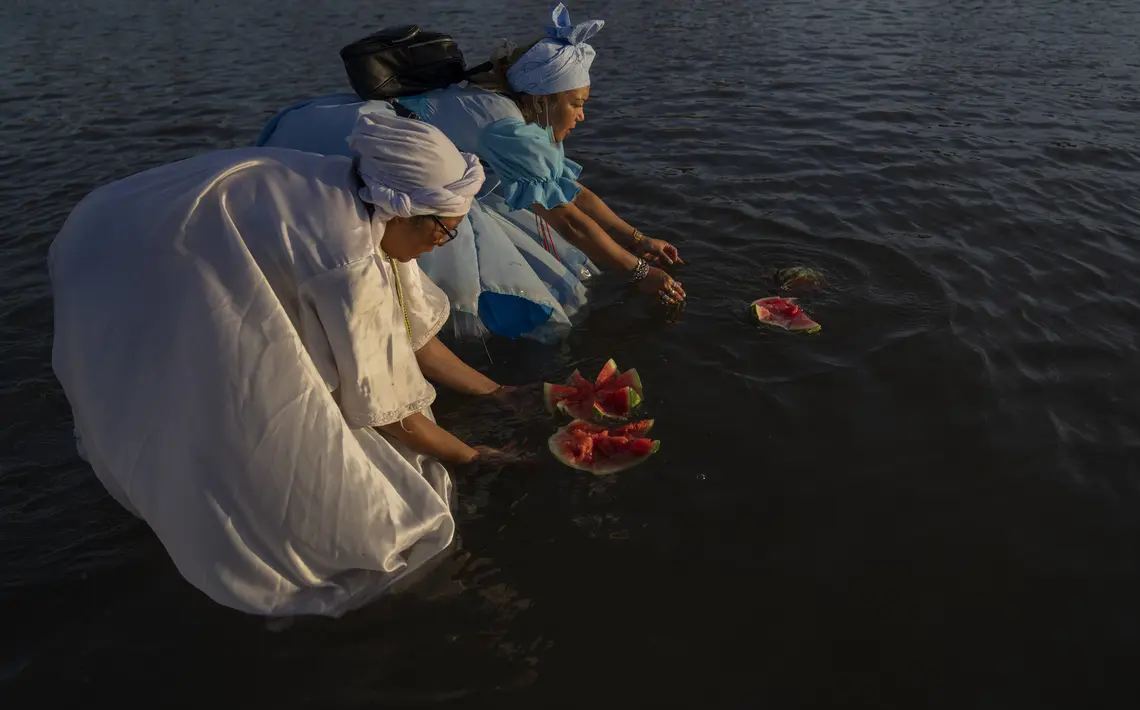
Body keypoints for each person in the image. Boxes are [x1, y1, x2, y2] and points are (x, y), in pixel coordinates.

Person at [49, 113, 534, 617]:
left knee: (158, 378)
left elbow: (410, 333)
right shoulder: (348, 258)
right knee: (230, 390)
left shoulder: (365, 189)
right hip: (139, 253)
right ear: (407, 212)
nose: (443, 244)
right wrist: (472, 457)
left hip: (114, 223)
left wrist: (496, 392)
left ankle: (158, 479)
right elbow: (392, 413)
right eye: (446, 232)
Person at [258, 3, 686, 343]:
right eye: (575, 103)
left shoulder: (499, 97)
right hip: (358, 146)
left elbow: (570, 193)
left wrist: (638, 239)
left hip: (349, 125)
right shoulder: (508, 129)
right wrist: (640, 273)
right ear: (543, 99)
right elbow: (570, 219)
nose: (582, 115)